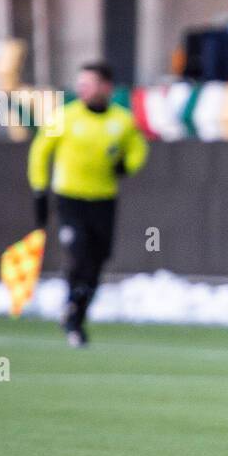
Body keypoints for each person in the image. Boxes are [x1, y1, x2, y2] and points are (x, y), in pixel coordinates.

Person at [28, 62, 149, 347]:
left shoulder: (121, 120)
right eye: (80, 83)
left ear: (106, 87)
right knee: (78, 252)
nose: (82, 89)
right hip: (70, 198)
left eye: (89, 83)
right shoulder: (66, 117)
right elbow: (39, 151)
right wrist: (39, 191)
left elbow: (138, 149)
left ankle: (75, 314)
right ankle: (72, 308)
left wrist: (126, 165)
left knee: (97, 261)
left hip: (104, 199)